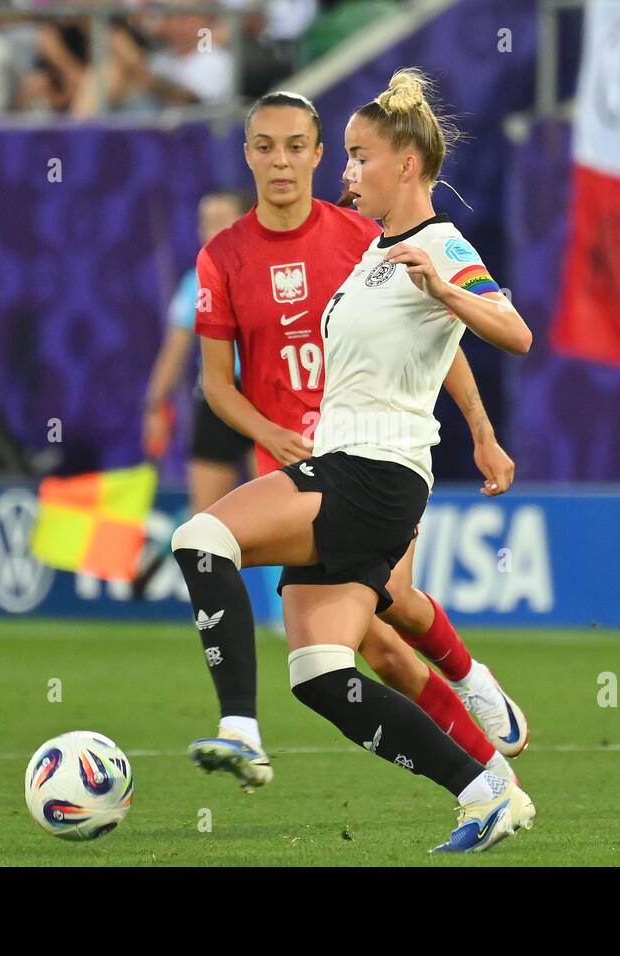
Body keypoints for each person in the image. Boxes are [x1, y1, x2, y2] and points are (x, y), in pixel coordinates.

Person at [171, 70, 535, 852]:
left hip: (372, 472)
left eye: (356, 156)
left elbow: (513, 330)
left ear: (405, 165)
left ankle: (239, 727)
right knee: (323, 675)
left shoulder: (437, 243)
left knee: (201, 540)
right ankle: (486, 794)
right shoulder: (377, 253)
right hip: (353, 467)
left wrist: (450, 294)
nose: (346, 172)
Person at [143, 191, 256, 514]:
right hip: (216, 403)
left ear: (246, 223)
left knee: (280, 513)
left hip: (265, 402)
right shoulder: (194, 282)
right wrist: (155, 406)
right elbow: (174, 352)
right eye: (205, 222)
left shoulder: (271, 276)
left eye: (221, 221)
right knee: (204, 519)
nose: (211, 230)